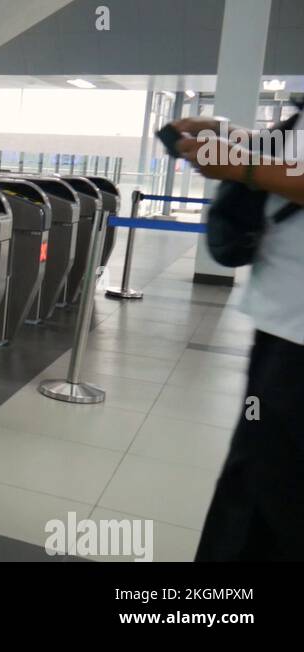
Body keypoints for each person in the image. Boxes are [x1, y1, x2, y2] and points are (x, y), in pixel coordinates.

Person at [171, 105, 304, 561]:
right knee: (251, 488)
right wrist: (229, 135)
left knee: (274, 498)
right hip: (280, 325)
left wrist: (243, 167)